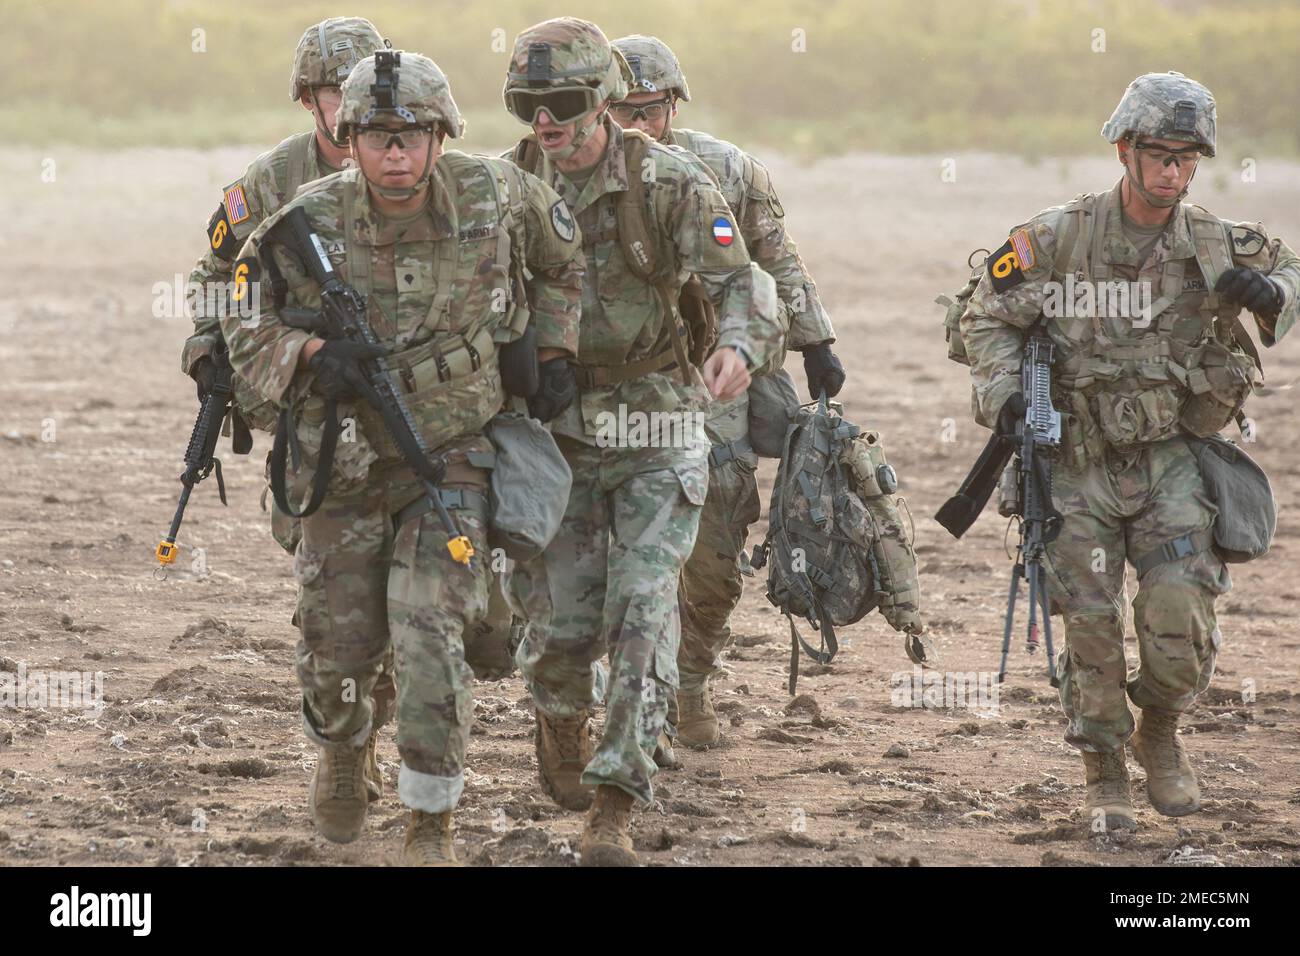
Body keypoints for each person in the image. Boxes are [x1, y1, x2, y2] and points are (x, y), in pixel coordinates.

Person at [221, 51, 584, 864]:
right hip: (342, 463)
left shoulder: (499, 194)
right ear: (347, 139)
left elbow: (565, 261)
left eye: (412, 135)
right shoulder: (301, 225)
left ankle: (430, 819)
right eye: (378, 136)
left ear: (440, 136)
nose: (396, 153)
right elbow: (240, 324)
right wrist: (312, 353)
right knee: (338, 648)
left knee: (431, 635)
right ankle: (346, 755)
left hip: (452, 458)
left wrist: (554, 350)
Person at [959, 72, 1299, 830]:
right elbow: (982, 314)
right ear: (1124, 150)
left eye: (1187, 156)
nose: (1172, 170)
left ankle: (1162, 733)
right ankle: (1105, 771)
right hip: (1074, 460)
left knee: (1181, 620)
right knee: (1089, 625)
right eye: (1158, 153)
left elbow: (1292, 270)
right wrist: (1007, 392)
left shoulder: (1213, 240)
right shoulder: (1057, 236)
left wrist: (1273, 294)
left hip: (1171, 456)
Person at [501, 17, 782, 865]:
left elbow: (747, 279)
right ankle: (559, 725)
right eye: (528, 105)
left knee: (643, 610)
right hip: (555, 433)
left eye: (562, 103)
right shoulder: (503, 186)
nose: (545, 121)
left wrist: (738, 345)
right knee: (559, 629)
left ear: (601, 103)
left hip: (659, 419)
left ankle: (614, 806)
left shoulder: (671, 183)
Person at [180, 17, 399, 803]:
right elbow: (214, 272)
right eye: (337, 88)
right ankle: (346, 744)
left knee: (405, 591)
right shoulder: (273, 180)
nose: (352, 106)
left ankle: (366, 734)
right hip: (309, 409)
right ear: (310, 97)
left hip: (406, 405)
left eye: (363, 84)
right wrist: (209, 350)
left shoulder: (415, 165)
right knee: (331, 589)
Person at [610, 34, 844, 752]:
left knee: (713, 557)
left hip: (715, 382)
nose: (632, 127)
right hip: (615, 390)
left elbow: (776, 259)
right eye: (617, 111)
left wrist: (816, 342)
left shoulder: (725, 170)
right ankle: (625, 704)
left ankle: (691, 683)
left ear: (673, 105)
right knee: (615, 560)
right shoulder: (574, 174)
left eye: (646, 111)